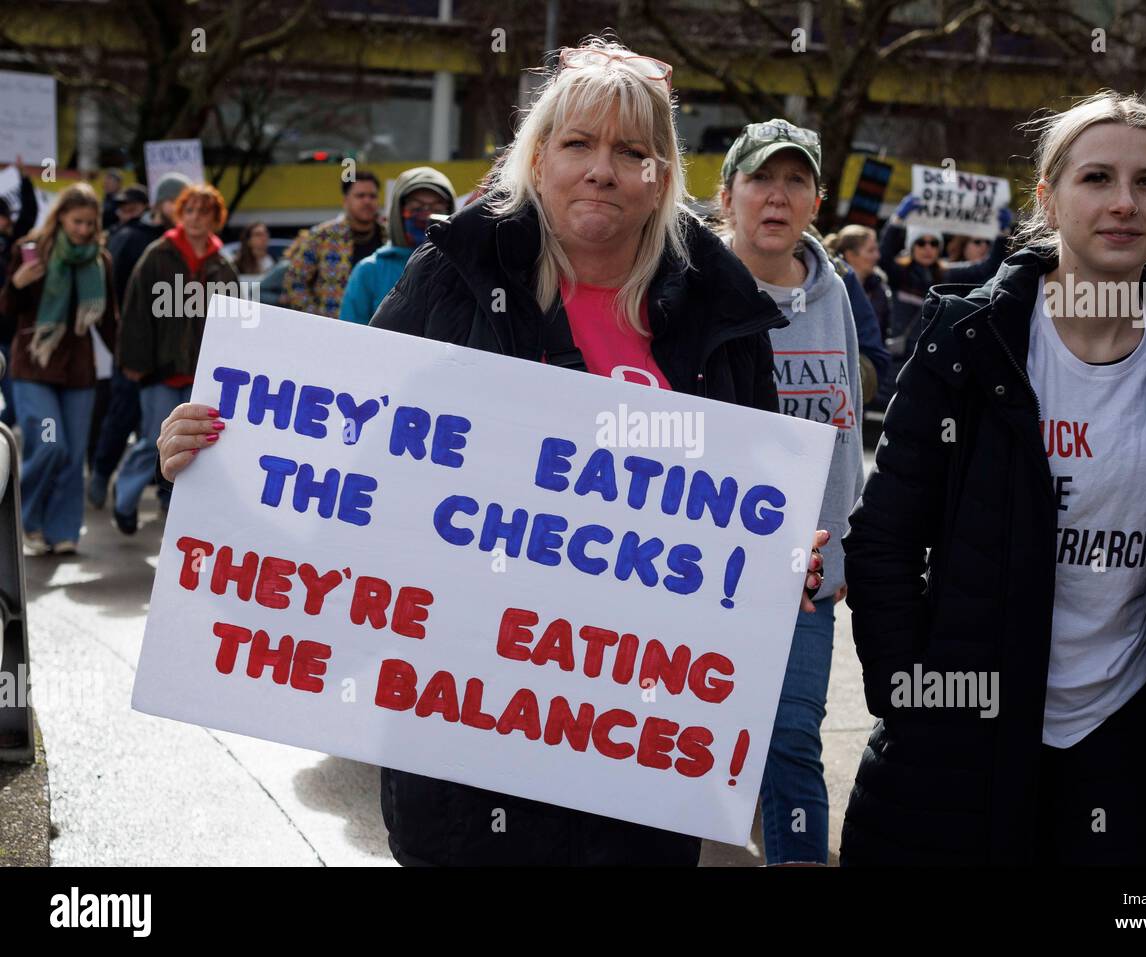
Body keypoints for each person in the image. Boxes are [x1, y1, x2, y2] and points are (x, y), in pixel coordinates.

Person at [154, 37, 828, 867]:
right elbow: (345, 456)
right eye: (579, 144)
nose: (602, 170)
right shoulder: (454, 275)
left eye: (631, 152)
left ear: (663, 176)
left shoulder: (720, 312)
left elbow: (752, 503)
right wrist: (217, 459)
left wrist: (778, 557)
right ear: (538, 158)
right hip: (468, 744)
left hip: (639, 747)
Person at [840, 91, 1146, 867]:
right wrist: (912, 698)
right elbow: (883, 539)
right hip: (968, 728)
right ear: (1048, 198)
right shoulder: (966, 345)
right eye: (1097, 178)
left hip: (1127, 738)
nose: (1124, 202)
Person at [716, 118, 864, 865]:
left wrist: (845, 546)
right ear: (729, 195)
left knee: (794, 735)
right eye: (760, 180)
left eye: (795, 181)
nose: (777, 196)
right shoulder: (690, 288)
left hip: (804, 569)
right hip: (703, 567)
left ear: (815, 200)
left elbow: (846, 427)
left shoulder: (836, 294)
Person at [113, 183, 238, 535]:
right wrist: (134, 361)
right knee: (155, 436)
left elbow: (235, 323)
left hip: (203, 372)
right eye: (190, 210)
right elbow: (136, 309)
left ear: (216, 218)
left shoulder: (223, 264)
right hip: (159, 368)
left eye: (204, 212)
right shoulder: (159, 253)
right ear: (180, 214)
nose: (196, 218)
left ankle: (178, 508)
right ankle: (124, 500)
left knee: (197, 444)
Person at [0, 183, 117, 555]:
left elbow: (107, 321)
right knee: (51, 445)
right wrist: (17, 285)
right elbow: (6, 312)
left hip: (79, 373)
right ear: (61, 217)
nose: (83, 229)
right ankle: (24, 520)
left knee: (72, 455)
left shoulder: (100, 261)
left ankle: (63, 531)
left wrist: (131, 364)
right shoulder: (31, 252)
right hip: (35, 366)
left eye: (90, 222)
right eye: (77, 221)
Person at [86, 172, 192, 510]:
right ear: (160, 204)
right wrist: (130, 351)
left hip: (174, 360)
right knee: (124, 417)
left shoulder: (190, 243)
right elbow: (121, 299)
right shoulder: (132, 239)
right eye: (176, 203)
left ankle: (166, 498)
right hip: (136, 351)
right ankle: (103, 476)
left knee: (168, 430)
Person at [874, 196, 1010, 406]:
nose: (928, 248)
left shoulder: (947, 274)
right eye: (921, 242)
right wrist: (897, 221)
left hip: (932, 362)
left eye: (934, 243)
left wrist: (1002, 234)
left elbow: (987, 267)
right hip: (897, 365)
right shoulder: (899, 273)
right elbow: (884, 256)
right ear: (911, 246)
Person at [338, 166, 455, 325]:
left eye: (437, 209)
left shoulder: (464, 271)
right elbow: (349, 339)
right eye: (416, 208)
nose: (426, 215)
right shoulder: (369, 271)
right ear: (397, 213)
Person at [281, 171, 386, 319]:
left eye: (372, 196)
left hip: (379, 329)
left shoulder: (388, 237)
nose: (367, 201)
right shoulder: (322, 235)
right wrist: (317, 318)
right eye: (360, 196)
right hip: (333, 329)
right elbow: (294, 281)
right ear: (346, 200)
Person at [0, 160, 40, 429]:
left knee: (14, 406)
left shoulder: (12, 244)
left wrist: (24, 178)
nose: (8, 222)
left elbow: (29, 214)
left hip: (8, 336)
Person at [825, 224, 890, 343]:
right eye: (871, 250)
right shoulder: (830, 287)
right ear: (850, 255)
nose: (877, 256)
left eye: (877, 250)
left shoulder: (879, 289)